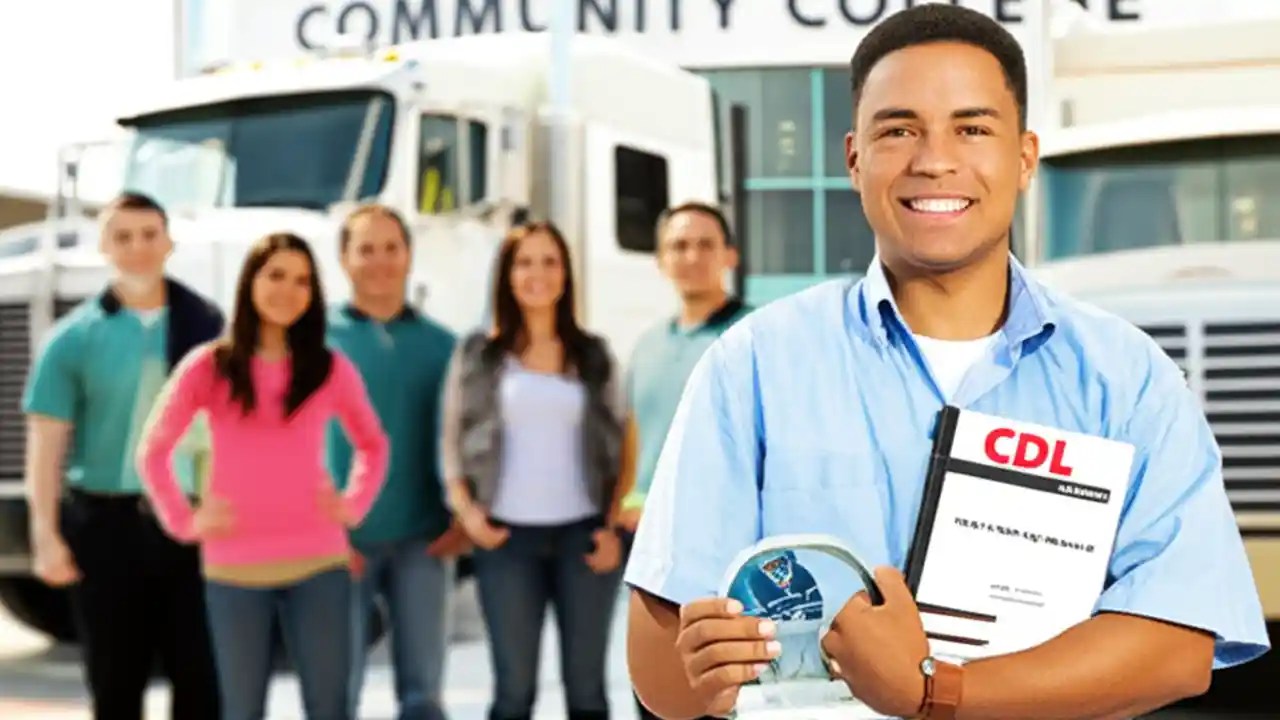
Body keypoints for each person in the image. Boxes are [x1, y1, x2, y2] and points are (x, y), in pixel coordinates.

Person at [623, 6, 1270, 720]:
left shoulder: (1127, 378)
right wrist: (705, 668)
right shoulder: (753, 367)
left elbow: (1178, 645)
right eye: (899, 130)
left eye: (972, 128)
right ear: (854, 158)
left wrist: (934, 692)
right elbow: (660, 668)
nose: (934, 160)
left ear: (1024, 157)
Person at [136, 232, 390, 720]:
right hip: (234, 567)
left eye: (302, 281)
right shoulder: (209, 366)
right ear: (250, 281)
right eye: (276, 275)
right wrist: (185, 521)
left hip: (319, 562)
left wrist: (352, 504)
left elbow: (374, 444)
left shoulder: (329, 368)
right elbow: (153, 450)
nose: (287, 290)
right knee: (242, 710)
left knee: (330, 708)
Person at [22, 191, 223, 720]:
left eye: (149, 235)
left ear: (169, 242)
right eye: (123, 237)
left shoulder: (208, 327)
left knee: (202, 681)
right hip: (105, 526)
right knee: (115, 684)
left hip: (191, 525)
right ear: (104, 246)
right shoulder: (72, 339)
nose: (138, 248)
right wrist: (45, 534)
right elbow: (46, 442)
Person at [440, 220, 627, 720]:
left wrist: (612, 529)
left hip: (583, 538)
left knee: (587, 694)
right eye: (524, 263)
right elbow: (451, 444)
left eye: (549, 261)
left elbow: (622, 447)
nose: (537, 273)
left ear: (565, 274)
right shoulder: (479, 355)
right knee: (513, 693)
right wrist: (469, 516)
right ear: (506, 275)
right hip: (507, 542)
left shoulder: (593, 355)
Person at [612, 201, 751, 720]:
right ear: (660, 260)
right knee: (656, 694)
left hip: (728, 549)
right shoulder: (646, 346)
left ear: (730, 255)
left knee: (724, 697)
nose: (691, 256)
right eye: (679, 245)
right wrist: (626, 502)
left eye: (705, 245)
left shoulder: (753, 336)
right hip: (653, 550)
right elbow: (635, 438)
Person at [326, 204, 462, 720]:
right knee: (334, 694)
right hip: (340, 543)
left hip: (424, 541)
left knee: (423, 697)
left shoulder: (445, 346)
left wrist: (462, 521)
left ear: (409, 255)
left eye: (391, 248)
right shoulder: (316, 342)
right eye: (366, 249)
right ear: (344, 259)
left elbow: (469, 440)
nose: (380, 261)